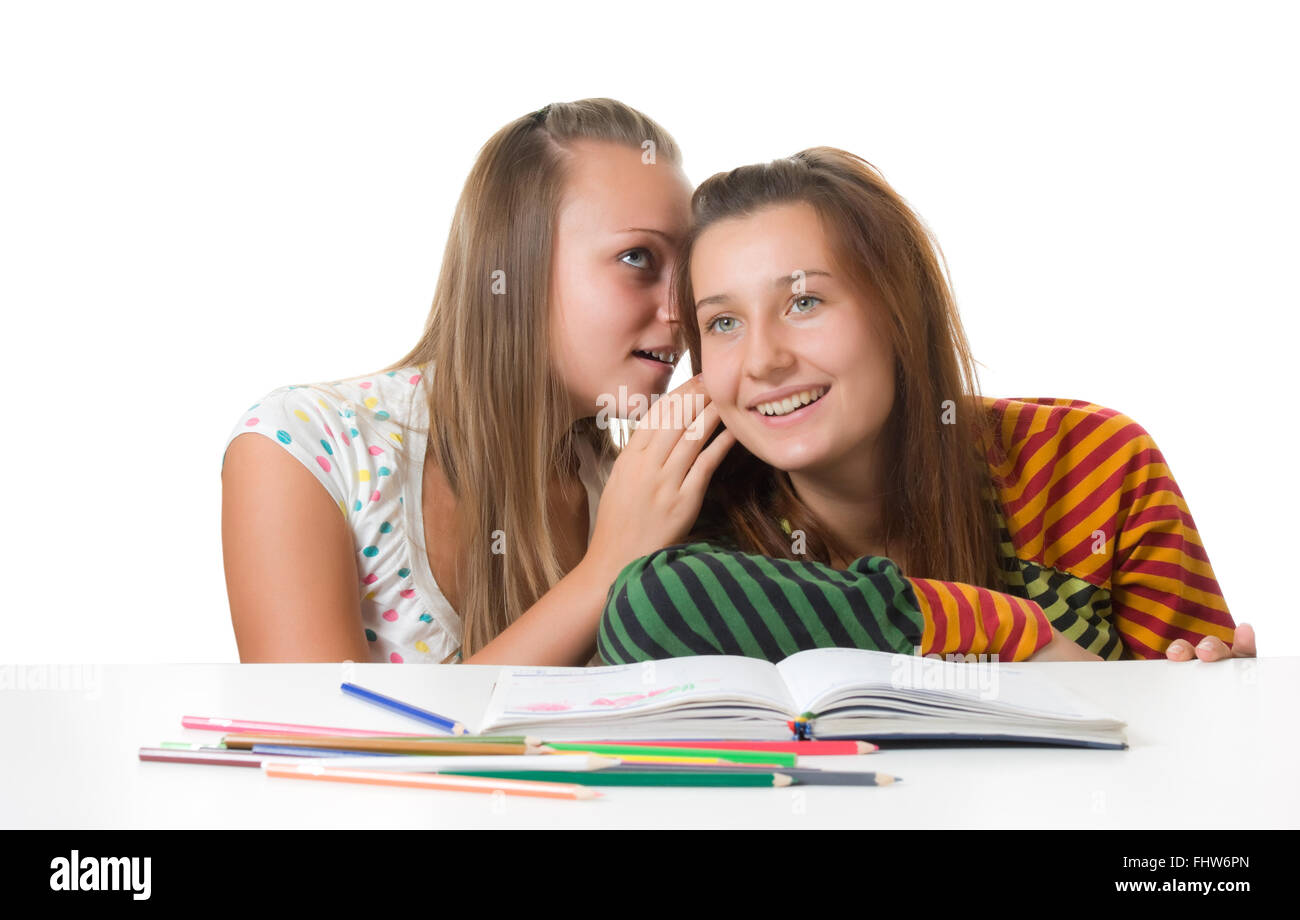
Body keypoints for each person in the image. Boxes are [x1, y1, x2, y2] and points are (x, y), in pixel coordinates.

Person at [598, 147, 1254, 665]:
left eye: (804, 303)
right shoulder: (698, 508)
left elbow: (1197, 737)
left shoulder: (1093, 467)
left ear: (900, 314)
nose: (764, 360)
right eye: (723, 324)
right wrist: (1022, 638)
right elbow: (649, 607)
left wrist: (1223, 687)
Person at [221, 98, 734, 666]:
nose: (680, 309)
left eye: (687, 273)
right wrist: (607, 568)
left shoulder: (643, 486)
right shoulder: (307, 446)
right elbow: (318, 742)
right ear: (513, 269)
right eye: (638, 257)